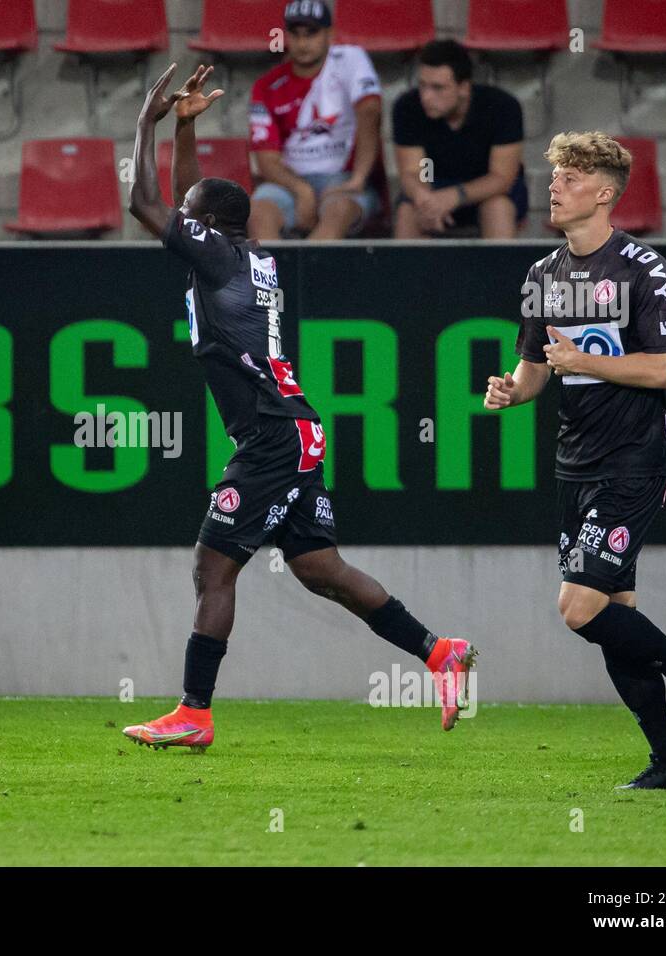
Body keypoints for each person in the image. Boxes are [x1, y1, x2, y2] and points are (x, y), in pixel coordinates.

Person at [124, 64, 475, 751]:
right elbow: (180, 205)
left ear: (207, 228)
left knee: (213, 566)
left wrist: (147, 122)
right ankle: (441, 654)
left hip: (271, 436)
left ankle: (194, 713)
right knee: (320, 568)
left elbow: (145, 205)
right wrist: (188, 128)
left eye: (187, 214)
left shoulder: (220, 259)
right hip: (296, 426)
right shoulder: (248, 258)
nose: (176, 221)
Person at [484, 131, 666, 789]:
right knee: (616, 618)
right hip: (574, 464)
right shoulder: (543, 276)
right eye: (555, 174)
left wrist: (584, 362)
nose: (554, 186)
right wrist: (510, 391)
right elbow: (534, 371)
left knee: (579, 607)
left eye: (568, 176)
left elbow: (665, 369)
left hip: (634, 462)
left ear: (605, 193)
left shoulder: (642, 269)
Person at [248, 0, 382, 240]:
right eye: (295, 34)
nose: (302, 43)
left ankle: (310, 278)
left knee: (338, 210)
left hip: (344, 178)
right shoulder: (266, 86)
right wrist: (302, 191)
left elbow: (371, 110)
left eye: (311, 33)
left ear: (329, 34)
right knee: (257, 213)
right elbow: (267, 161)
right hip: (289, 181)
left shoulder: (350, 58)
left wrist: (359, 178)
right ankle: (271, 277)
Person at [392, 39, 526, 238]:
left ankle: (501, 270)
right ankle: (406, 270)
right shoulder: (408, 106)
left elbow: (502, 178)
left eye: (437, 88)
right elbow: (411, 172)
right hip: (434, 187)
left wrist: (455, 196)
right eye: (422, 86)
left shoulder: (502, 107)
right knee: (408, 212)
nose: (426, 97)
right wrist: (424, 199)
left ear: (463, 87)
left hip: (487, 190)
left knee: (498, 208)